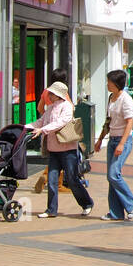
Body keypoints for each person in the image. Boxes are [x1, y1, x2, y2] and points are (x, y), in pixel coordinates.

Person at [28, 81, 94, 219]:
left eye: (52, 93)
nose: (49, 96)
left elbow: (61, 122)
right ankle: (51, 209)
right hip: (53, 150)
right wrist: (27, 127)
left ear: (58, 94)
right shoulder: (50, 108)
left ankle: (87, 203)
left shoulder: (67, 107)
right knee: (52, 179)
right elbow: (41, 122)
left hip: (68, 150)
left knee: (72, 179)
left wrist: (42, 130)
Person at [94, 69, 133, 222]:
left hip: (123, 141)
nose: (107, 84)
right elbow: (108, 121)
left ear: (116, 84)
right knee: (111, 177)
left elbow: (129, 124)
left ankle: (131, 204)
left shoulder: (126, 100)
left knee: (114, 174)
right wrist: (100, 139)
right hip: (112, 139)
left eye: (109, 82)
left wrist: (122, 143)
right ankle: (116, 212)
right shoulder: (111, 98)